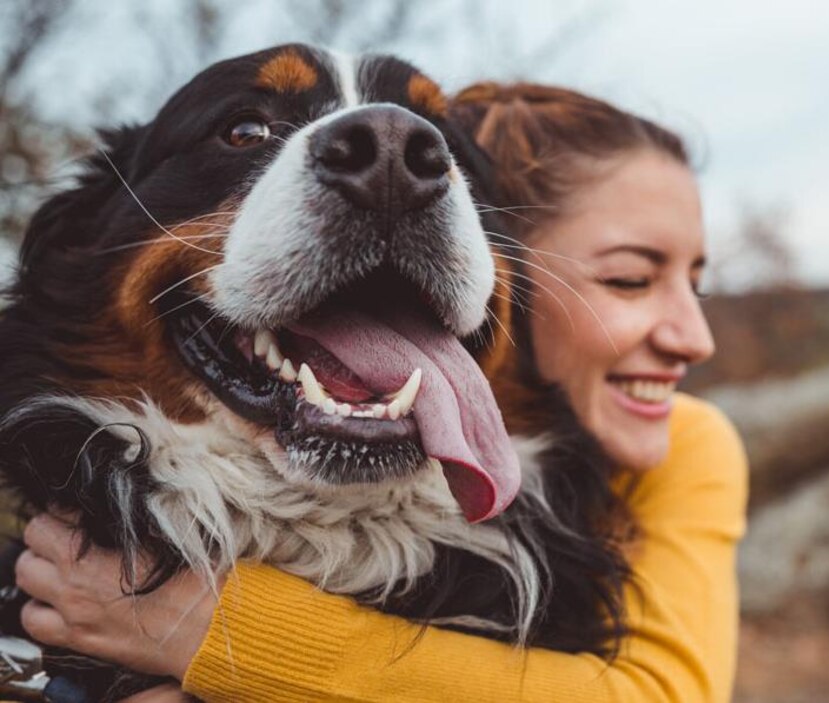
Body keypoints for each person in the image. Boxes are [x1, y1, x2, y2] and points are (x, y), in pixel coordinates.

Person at [16, 82, 749, 703]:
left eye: (697, 281)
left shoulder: (689, 440)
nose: (697, 338)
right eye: (629, 279)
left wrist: (208, 630)